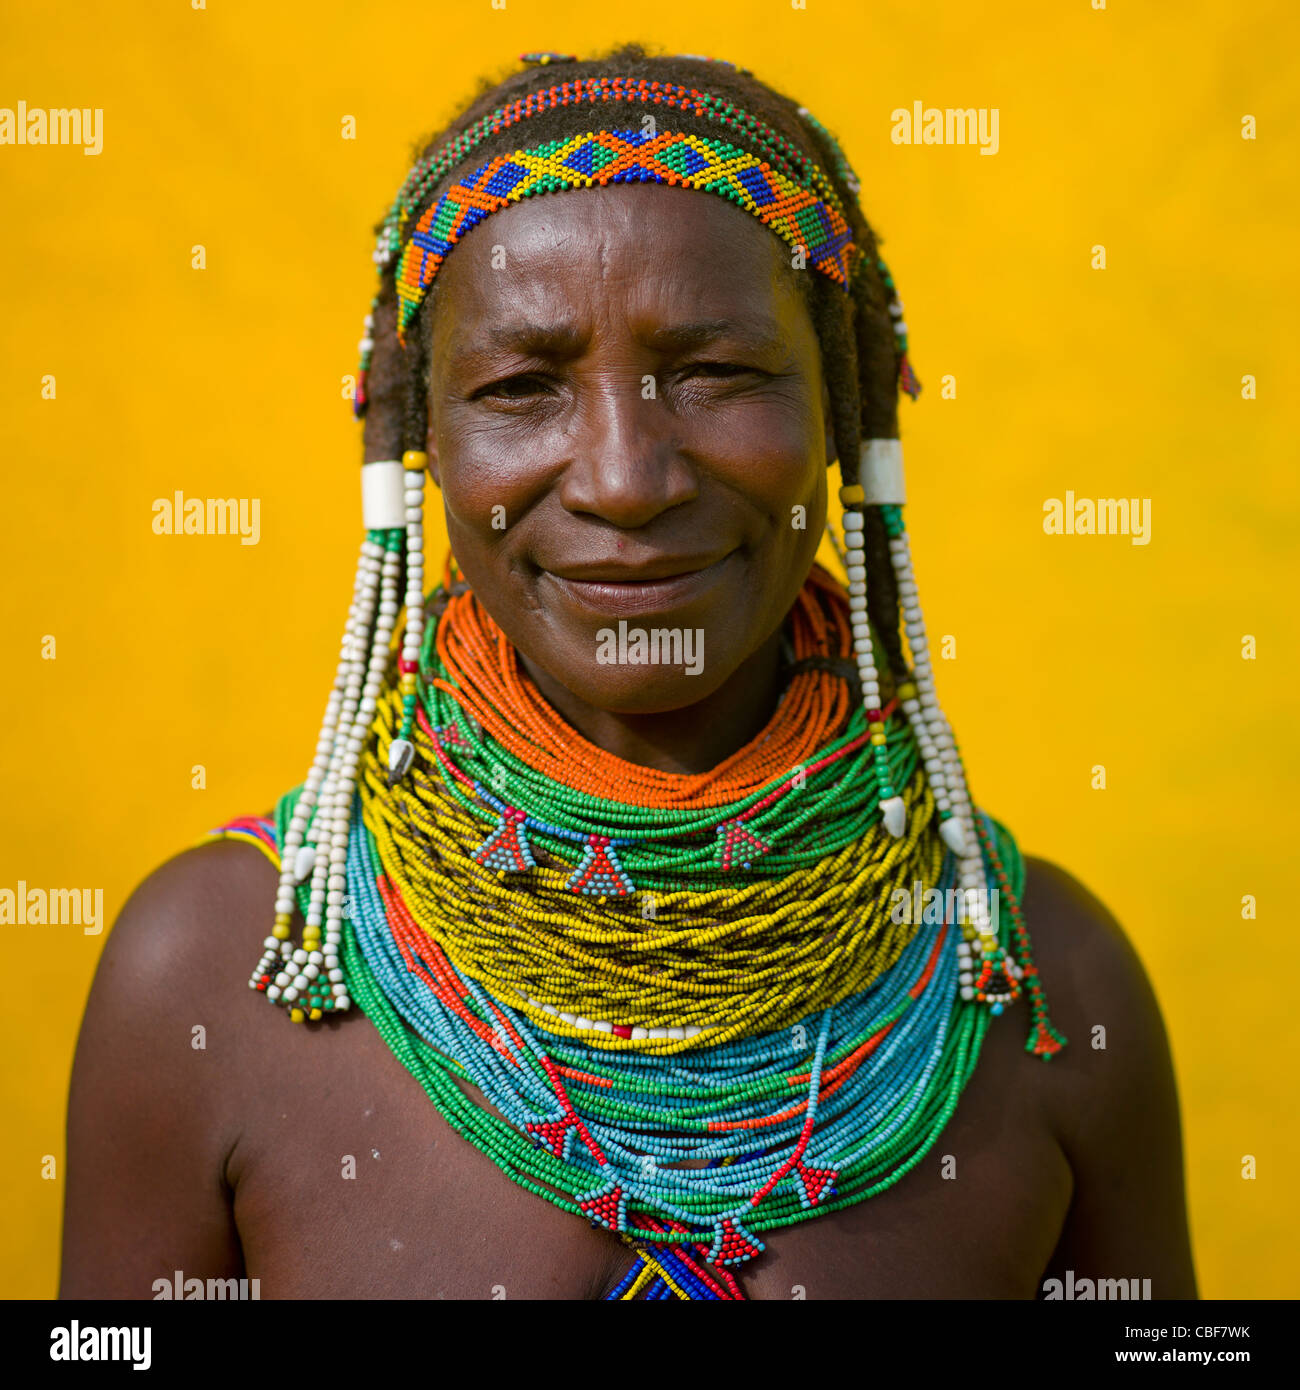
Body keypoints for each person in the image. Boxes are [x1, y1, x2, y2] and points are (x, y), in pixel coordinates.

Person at [60, 46, 1196, 1300]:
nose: (624, 479)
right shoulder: (212, 974)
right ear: (419, 442)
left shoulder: (1040, 984)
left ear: (843, 413)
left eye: (715, 375)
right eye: (521, 387)